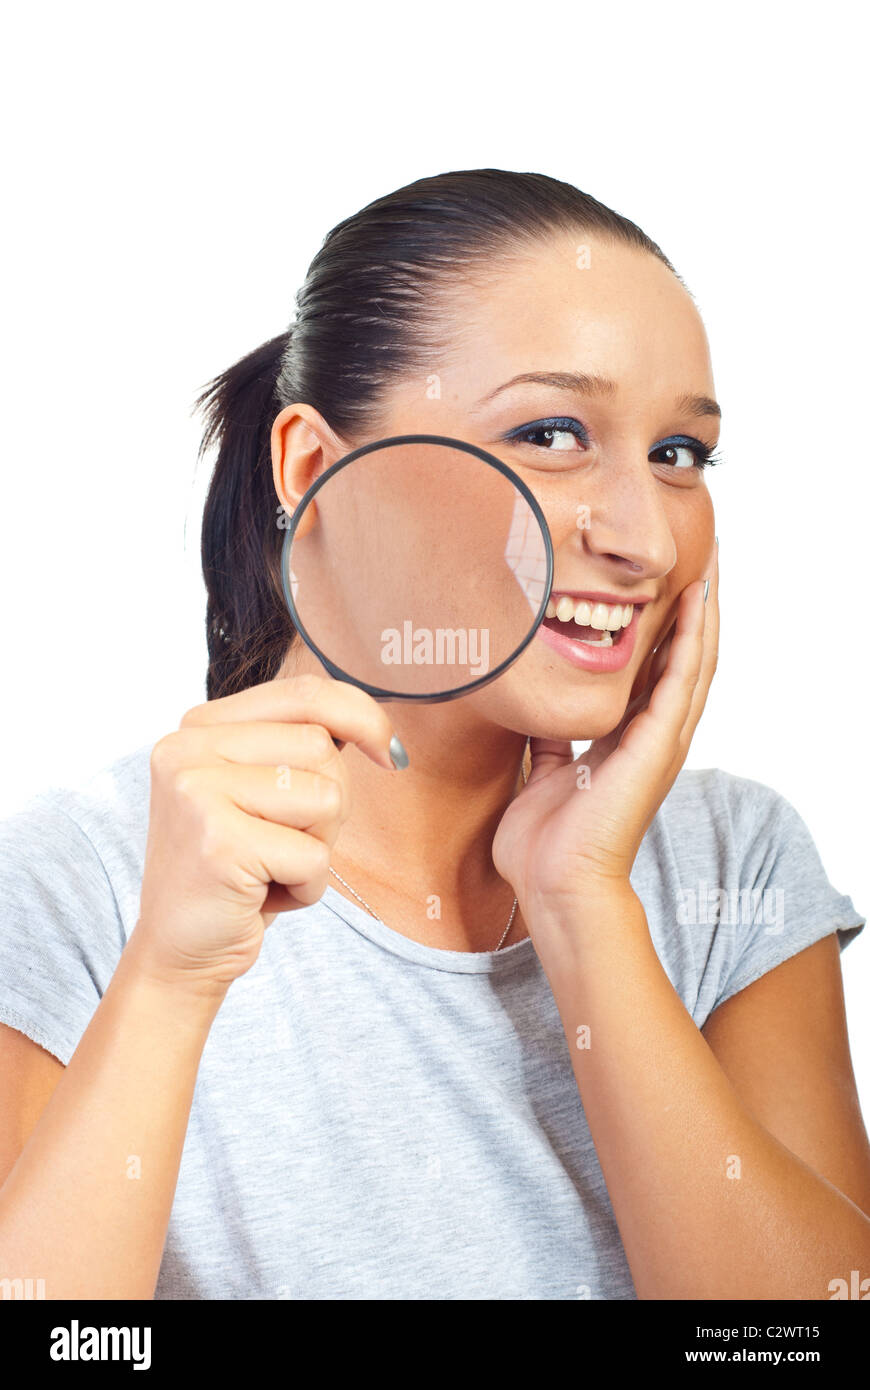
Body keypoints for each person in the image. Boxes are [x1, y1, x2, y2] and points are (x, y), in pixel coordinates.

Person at [0, 168, 868, 1301]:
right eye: (554, 433)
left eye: (679, 454)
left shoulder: (726, 863)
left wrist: (582, 902)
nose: (649, 539)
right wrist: (168, 981)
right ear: (319, 468)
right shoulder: (88, 883)